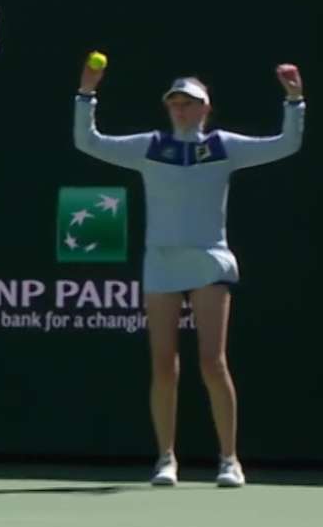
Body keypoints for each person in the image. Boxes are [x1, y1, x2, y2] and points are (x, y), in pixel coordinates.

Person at [72, 59, 306, 488]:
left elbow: (287, 143)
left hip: (209, 260)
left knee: (213, 362)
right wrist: (87, 92)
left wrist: (294, 99)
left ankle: (229, 460)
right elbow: (88, 141)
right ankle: (165, 458)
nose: (181, 109)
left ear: (205, 108)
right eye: (175, 103)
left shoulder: (225, 146)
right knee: (163, 364)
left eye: (189, 103)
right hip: (161, 262)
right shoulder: (149, 146)